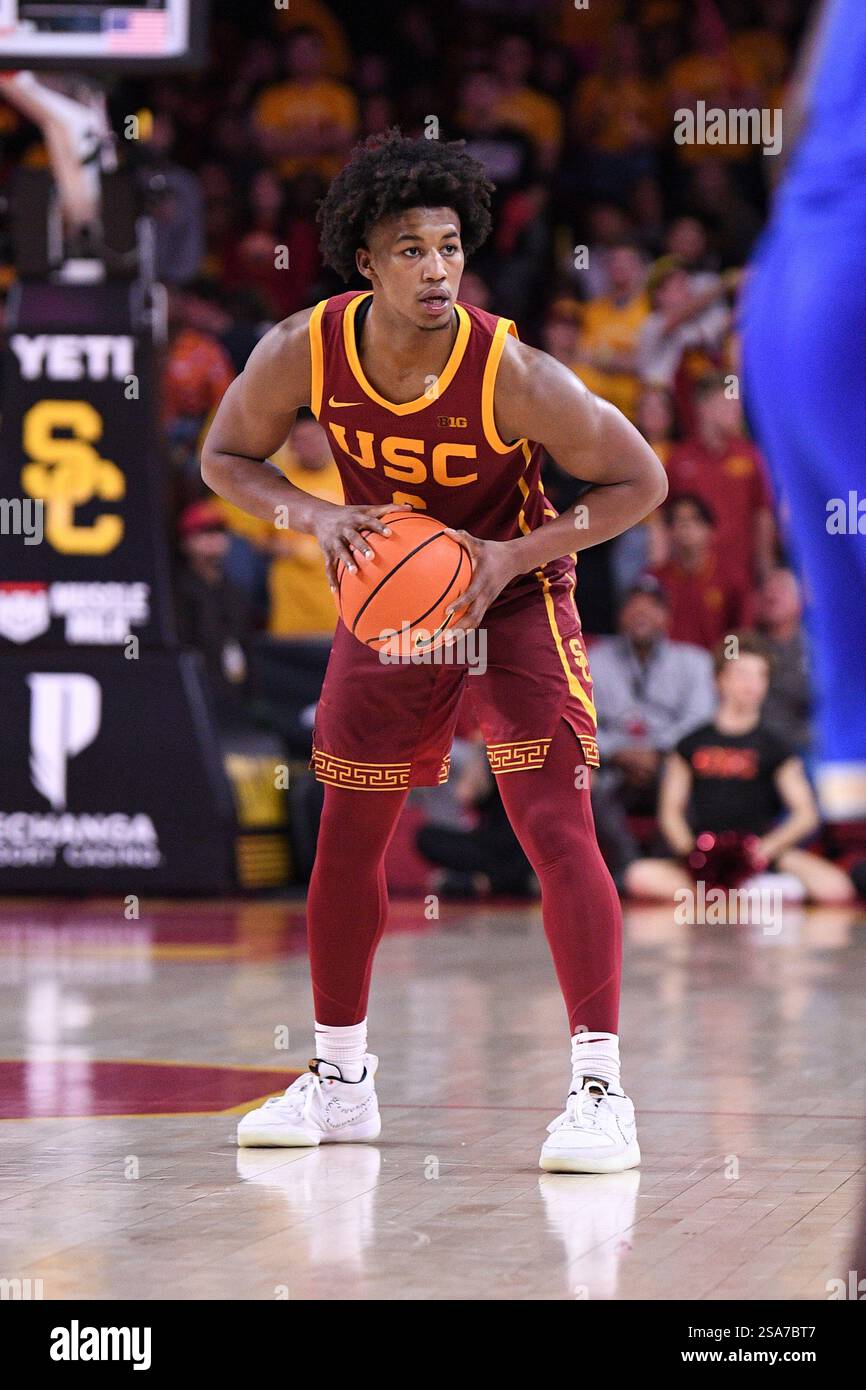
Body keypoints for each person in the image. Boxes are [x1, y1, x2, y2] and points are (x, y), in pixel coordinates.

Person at [201, 131, 667, 1173]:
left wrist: (515, 555)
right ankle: (338, 1079)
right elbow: (224, 456)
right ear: (363, 260)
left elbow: (639, 483)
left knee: (554, 820)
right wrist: (310, 517)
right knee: (345, 834)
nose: (436, 269)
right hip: (392, 591)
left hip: (511, 591)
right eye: (409, 249)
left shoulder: (515, 372)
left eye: (450, 246)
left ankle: (599, 1088)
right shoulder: (302, 349)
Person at [625, 634, 854, 905]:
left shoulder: (776, 745)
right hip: (702, 854)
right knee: (638, 876)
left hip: (761, 855)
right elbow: (670, 812)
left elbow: (805, 813)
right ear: (719, 680)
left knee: (835, 888)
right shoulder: (690, 744)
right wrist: (695, 856)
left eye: (760, 676)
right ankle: (742, 895)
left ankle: (730, 896)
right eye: (743, 674)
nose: (752, 684)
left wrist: (763, 850)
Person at [588, 578, 717, 884]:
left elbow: (700, 720)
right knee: (581, 779)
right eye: (634, 606)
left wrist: (657, 751)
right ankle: (626, 864)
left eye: (651, 607)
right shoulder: (594, 659)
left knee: (683, 776)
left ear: (666, 618)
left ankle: (663, 864)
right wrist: (616, 751)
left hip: (670, 761)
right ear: (620, 615)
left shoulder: (694, 662)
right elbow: (579, 718)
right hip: (609, 762)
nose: (641, 613)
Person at [651, 493, 753, 650]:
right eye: (678, 521)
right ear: (669, 532)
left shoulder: (732, 578)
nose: (686, 527)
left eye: (694, 520)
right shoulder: (653, 579)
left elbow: (738, 630)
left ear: (710, 530)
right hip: (665, 669)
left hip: (715, 667)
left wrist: (727, 663)